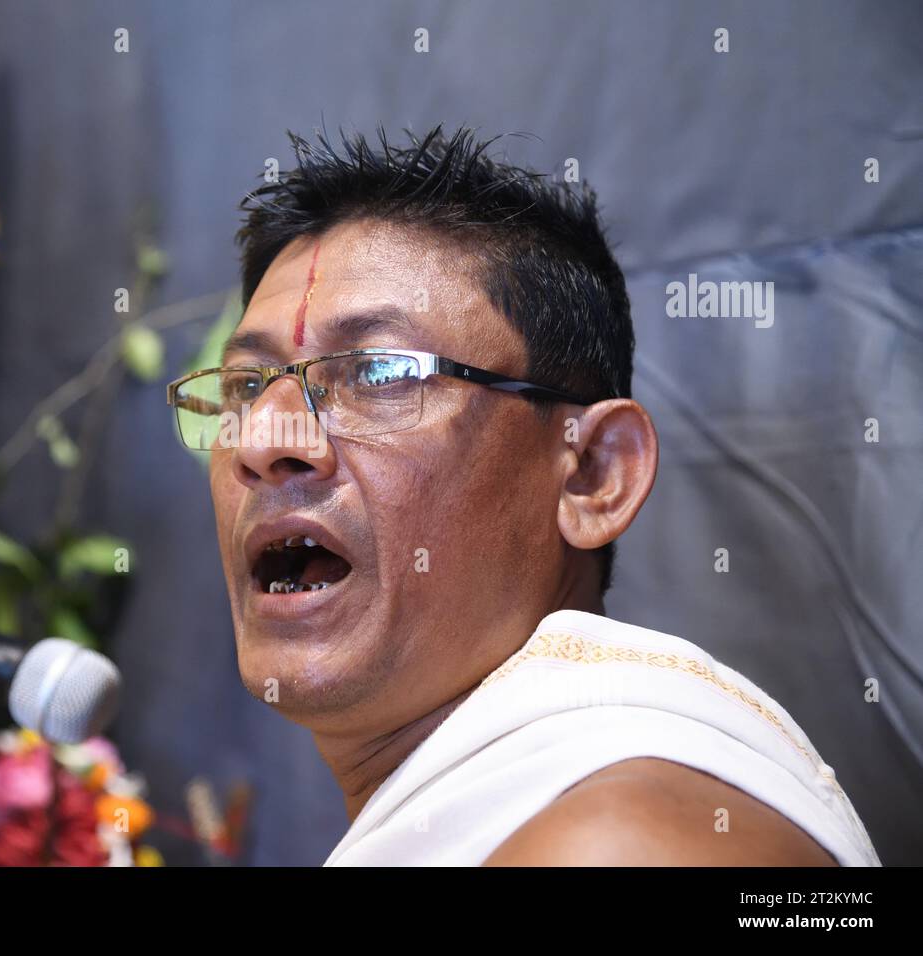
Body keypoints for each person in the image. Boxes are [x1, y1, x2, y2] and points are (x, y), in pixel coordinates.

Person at [166, 126, 879, 866]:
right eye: (246, 387)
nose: (262, 440)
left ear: (594, 473)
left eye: (378, 374)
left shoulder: (620, 844)